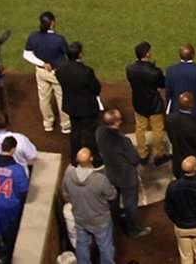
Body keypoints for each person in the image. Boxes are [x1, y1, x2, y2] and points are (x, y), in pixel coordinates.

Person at [97, 108, 150, 237]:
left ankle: (115, 222)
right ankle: (133, 230)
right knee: (130, 203)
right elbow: (134, 159)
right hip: (126, 177)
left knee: (113, 200)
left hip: (110, 173)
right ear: (116, 122)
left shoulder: (99, 132)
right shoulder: (122, 140)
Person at [62, 148, 118, 264]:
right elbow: (112, 195)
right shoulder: (100, 179)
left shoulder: (68, 176)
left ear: (77, 160)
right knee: (105, 246)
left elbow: (65, 194)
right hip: (100, 219)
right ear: (91, 158)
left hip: (80, 217)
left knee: (82, 244)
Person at [54, 42, 101, 162]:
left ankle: (75, 158)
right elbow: (96, 89)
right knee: (89, 133)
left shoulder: (60, 69)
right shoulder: (86, 71)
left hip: (71, 105)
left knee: (75, 131)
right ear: (80, 54)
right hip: (87, 107)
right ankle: (94, 158)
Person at [166, 155, 196, 264]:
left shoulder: (172, 187)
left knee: (185, 257)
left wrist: (177, 221)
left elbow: (168, 209)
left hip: (181, 227)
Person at [126, 41, 168, 165]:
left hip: (139, 103)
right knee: (157, 130)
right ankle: (158, 155)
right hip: (154, 104)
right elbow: (162, 84)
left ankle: (142, 154)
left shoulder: (130, 69)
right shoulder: (154, 71)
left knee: (140, 129)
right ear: (147, 54)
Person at [166, 45, 196, 137]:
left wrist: (169, 109)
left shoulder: (170, 70)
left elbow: (168, 93)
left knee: (180, 137)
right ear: (193, 55)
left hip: (177, 110)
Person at [165, 92, 196, 185]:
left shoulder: (169, 119)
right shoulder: (195, 125)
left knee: (180, 183)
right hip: (194, 163)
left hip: (177, 161)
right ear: (191, 105)